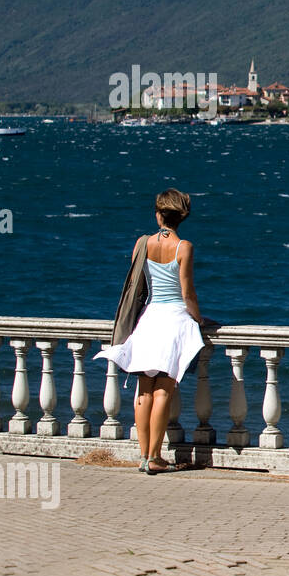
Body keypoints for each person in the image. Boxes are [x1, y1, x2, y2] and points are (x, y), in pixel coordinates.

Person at [95, 189, 208, 474]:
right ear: (181, 217)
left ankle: (144, 455)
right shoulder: (184, 247)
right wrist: (199, 319)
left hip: (148, 319)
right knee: (163, 391)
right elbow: (187, 293)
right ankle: (156, 457)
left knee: (144, 390)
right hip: (173, 322)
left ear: (158, 214)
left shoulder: (142, 243)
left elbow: (138, 285)